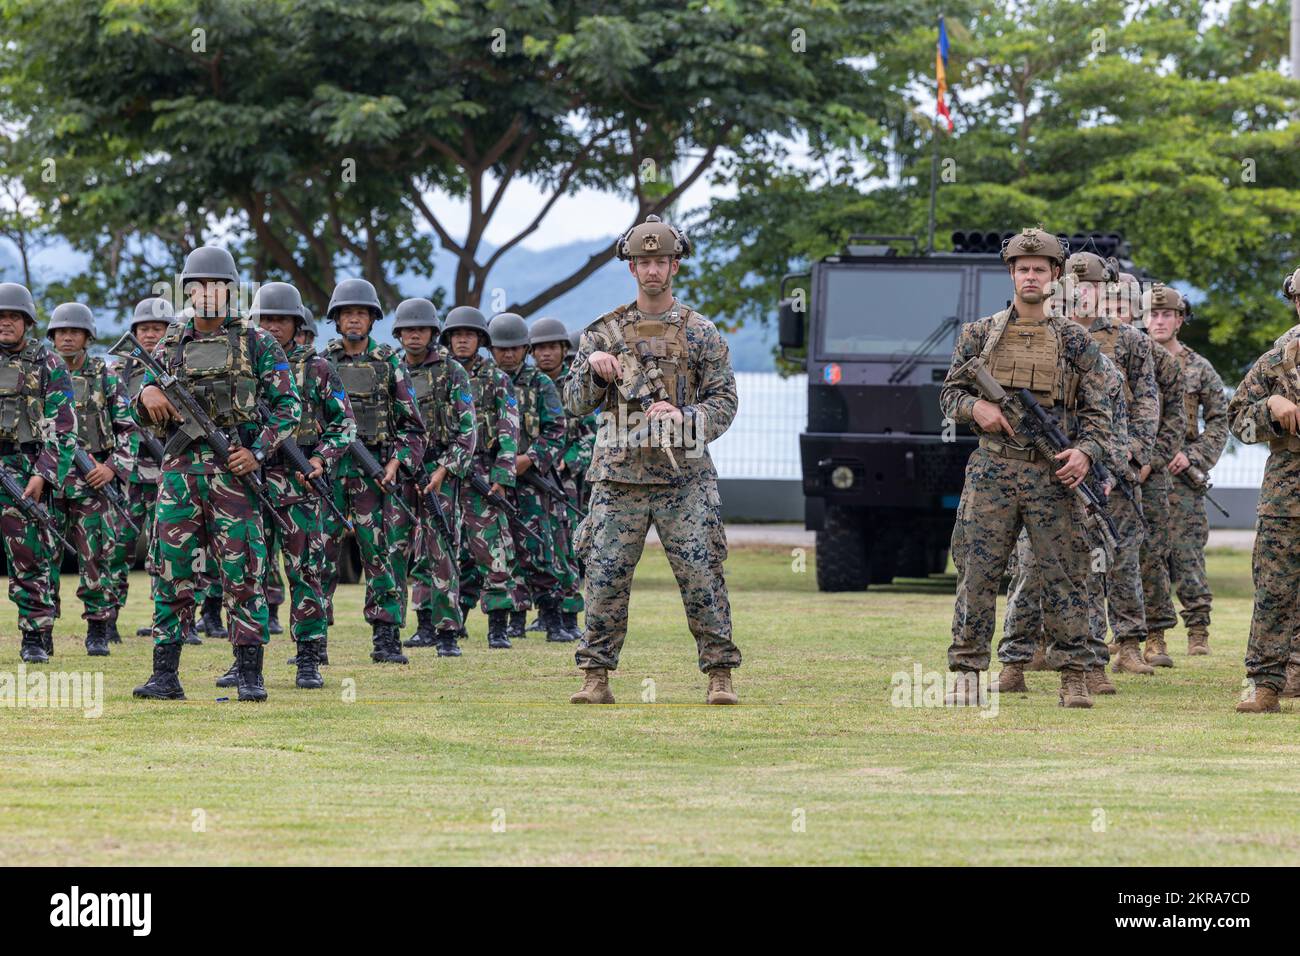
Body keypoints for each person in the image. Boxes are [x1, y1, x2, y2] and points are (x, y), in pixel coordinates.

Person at [564, 214, 740, 704]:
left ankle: (719, 674)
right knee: (604, 577)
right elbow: (573, 403)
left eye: (661, 261)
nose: (652, 270)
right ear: (631, 268)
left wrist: (683, 415)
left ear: (675, 265)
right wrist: (595, 376)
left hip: (685, 478)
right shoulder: (602, 334)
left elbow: (725, 402)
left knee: (703, 574)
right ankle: (595, 677)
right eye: (643, 262)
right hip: (619, 477)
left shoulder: (703, 334)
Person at [939, 227, 1112, 709]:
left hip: (1052, 476)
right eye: (1022, 269)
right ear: (1012, 274)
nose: (1030, 276)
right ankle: (968, 672)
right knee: (976, 574)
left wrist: (1085, 453)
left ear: (1055, 276)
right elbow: (950, 393)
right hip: (993, 471)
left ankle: (1073, 675)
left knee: (1067, 574)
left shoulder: (1075, 340)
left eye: (1039, 269)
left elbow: (1102, 414)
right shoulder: (979, 333)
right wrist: (977, 410)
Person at [131, 245, 300, 701]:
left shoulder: (256, 342)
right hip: (180, 473)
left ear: (230, 291)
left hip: (234, 475)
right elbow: (139, 410)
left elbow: (289, 410)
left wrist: (257, 452)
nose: (208, 292)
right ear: (188, 291)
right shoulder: (171, 341)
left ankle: (249, 675)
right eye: (199, 285)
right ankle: (165, 676)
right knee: (170, 571)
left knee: (243, 572)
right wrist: (146, 393)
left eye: (218, 285)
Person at [214, 281, 355, 690]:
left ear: (298, 324)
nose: (274, 326)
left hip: (298, 482)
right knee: (244, 574)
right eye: (266, 319)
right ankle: (244, 661)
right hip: (247, 480)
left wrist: (318, 459)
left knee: (306, 572)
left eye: (282, 320)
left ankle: (309, 659)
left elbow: (344, 426)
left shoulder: (318, 368)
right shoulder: (238, 363)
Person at [321, 278, 426, 663]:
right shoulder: (323, 363)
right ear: (336, 319)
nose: (353, 320)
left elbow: (414, 426)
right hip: (330, 472)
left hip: (374, 471)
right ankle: (313, 641)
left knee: (381, 554)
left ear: (372, 320)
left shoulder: (389, 364)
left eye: (361, 314)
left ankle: (386, 638)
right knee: (319, 553)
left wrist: (396, 463)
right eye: (347, 313)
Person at [46, 302, 136, 657]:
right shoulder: (39, 374)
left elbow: (128, 429)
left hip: (94, 481)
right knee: (44, 558)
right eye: (61, 332)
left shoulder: (106, 376)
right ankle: (41, 629)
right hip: (48, 480)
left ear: (87, 336)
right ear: (52, 336)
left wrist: (112, 467)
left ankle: (98, 627)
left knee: (96, 555)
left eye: (75, 331)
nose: (67, 337)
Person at [391, 298, 476, 657]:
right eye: (408, 329)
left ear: (431, 333)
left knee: (442, 552)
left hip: (439, 469)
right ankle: (390, 634)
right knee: (394, 552)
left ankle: (446, 633)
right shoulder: (390, 367)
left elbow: (467, 431)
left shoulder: (453, 371)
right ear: (398, 333)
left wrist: (443, 470)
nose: (414, 335)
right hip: (400, 471)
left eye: (421, 329)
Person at [0, 283, 77, 663]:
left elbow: (63, 427)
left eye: (13, 316)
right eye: (0, 317)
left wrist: (44, 474)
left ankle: (35, 635)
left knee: (29, 556)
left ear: (27, 321)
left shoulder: (48, 364)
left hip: (24, 470)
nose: (5, 323)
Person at [487, 312, 574, 643]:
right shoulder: (483, 382)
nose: (508, 355)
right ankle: (508, 624)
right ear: (491, 349)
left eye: (514, 349)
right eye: (501, 349)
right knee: (497, 551)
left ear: (525, 349)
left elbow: (556, 429)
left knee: (538, 551)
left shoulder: (541, 384)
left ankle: (554, 621)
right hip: (493, 481)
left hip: (531, 483)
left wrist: (529, 459)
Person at [1226, 330, 1300, 713]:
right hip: (1285, 499)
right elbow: (1237, 420)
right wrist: (1270, 406)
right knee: (1274, 594)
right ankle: (1263, 685)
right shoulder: (1275, 363)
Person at [439, 306, 521, 649]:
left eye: (469, 335)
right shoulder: (439, 374)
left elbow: (509, 427)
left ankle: (498, 626)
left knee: (492, 550)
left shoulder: (497, 379)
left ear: (480, 340)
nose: (462, 341)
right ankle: (444, 626)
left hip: (483, 475)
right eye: (456, 335)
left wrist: (503, 474)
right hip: (445, 473)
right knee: (442, 550)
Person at [529, 316, 596, 638]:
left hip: (567, 482)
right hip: (529, 476)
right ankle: (545, 612)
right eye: (539, 348)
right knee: (535, 545)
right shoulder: (524, 386)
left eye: (551, 347)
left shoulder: (577, 387)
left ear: (562, 349)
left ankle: (569, 616)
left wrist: (567, 462)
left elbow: (594, 435)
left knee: (567, 546)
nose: (545, 354)